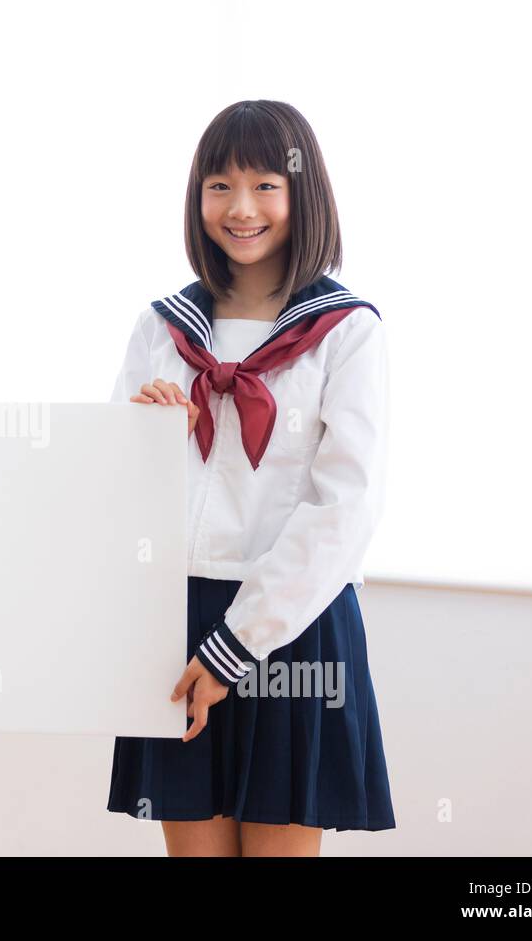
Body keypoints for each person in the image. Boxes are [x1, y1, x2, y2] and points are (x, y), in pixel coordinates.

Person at [105, 100, 395, 856]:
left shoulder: (347, 330)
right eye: (219, 185)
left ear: (304, 195)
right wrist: (151, 440)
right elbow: (107, 494)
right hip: (177, 617)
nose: (240, 209)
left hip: (293, 625)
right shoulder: (160, 328)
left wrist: (240, 643)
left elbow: (346, 506)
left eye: (266, 184)